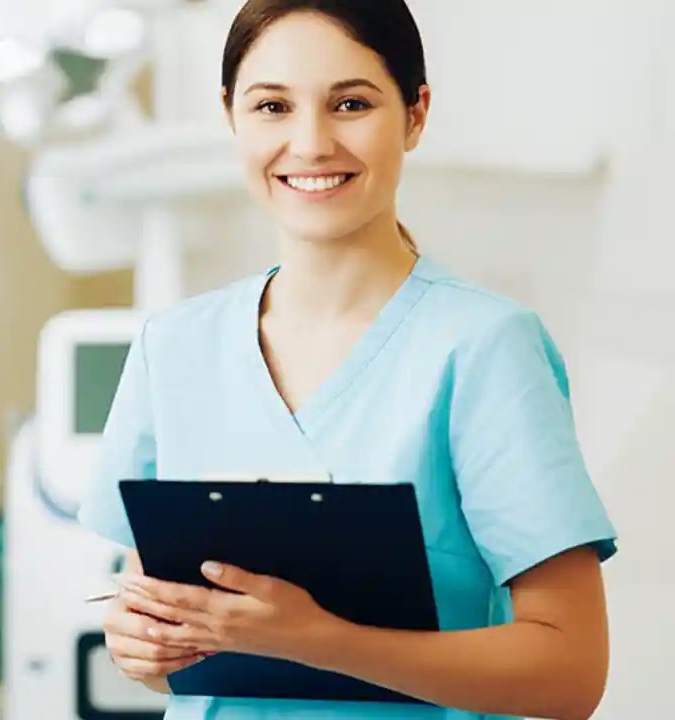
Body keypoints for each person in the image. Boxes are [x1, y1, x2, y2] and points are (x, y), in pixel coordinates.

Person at [74, 1, 618, 719]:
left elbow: (570, 672)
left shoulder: (484, 348)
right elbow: (153, 624)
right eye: (272, 106)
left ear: (415, 114)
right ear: (231, 116)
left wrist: (318, 639)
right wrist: (139, 645)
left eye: (351, 103)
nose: (310, 143)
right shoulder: (173, 347)